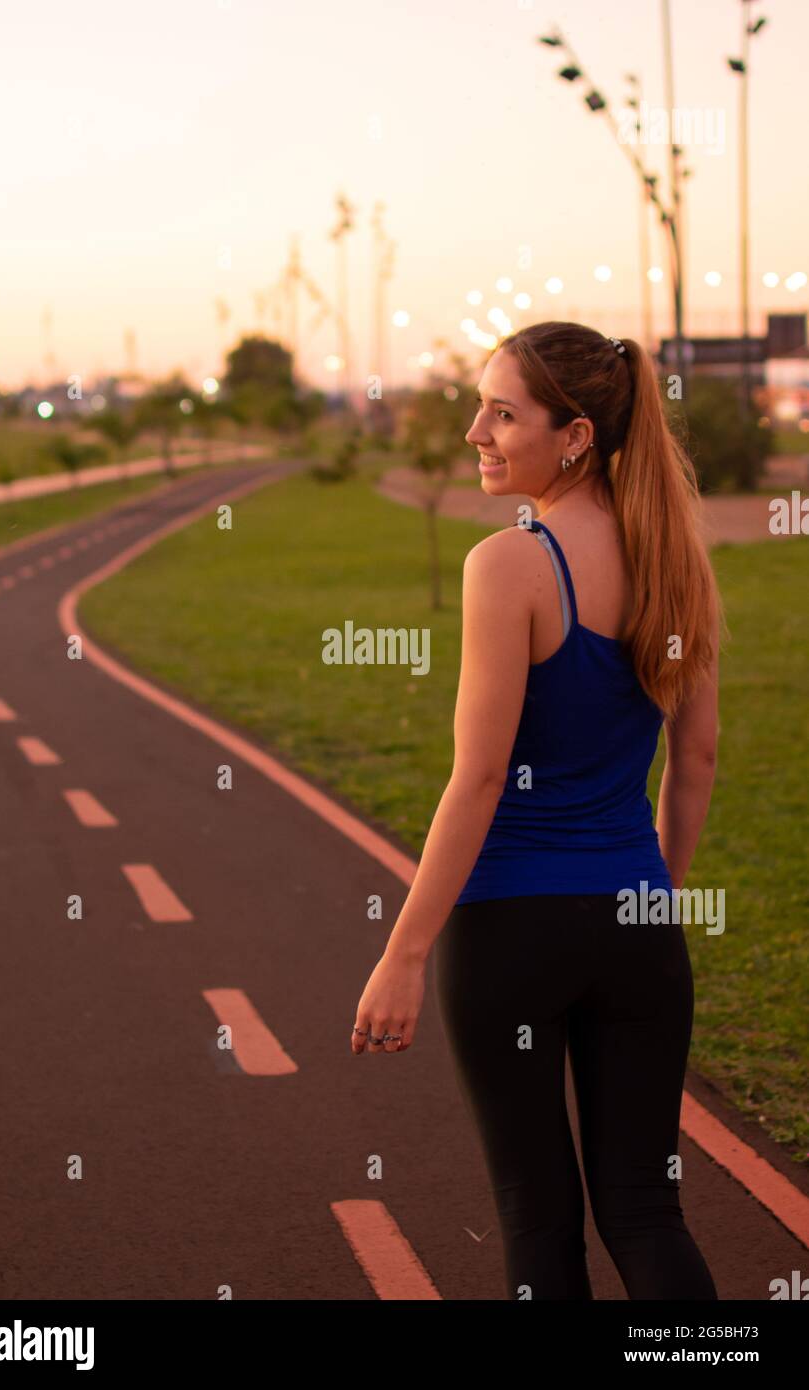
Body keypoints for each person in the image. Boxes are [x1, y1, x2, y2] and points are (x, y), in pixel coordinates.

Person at [351, 321, 722, 1301]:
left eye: (501, 411)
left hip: (509, 930)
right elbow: (697, 757)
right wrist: (647, 900)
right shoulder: (674, 561)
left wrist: (402, 952)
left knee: (536, 1216)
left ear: (572, 435)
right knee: (645, 1209)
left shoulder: (506, 564)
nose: (474, 428)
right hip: (635, 927)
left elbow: (478, 781)